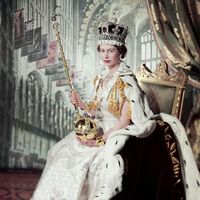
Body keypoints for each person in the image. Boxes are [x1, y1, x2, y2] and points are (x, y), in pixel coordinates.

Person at [31, 19, 200, 200]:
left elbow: (124, 121)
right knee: (60, 152)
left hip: (117, 131)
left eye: (110, 50)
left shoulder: (127, 82)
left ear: (120, 52)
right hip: (99, 128)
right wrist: (81, 104)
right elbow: (96, 109)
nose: (105, 55)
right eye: (102, 50)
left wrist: (100, 141)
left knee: (98, 163)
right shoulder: (101, 77)